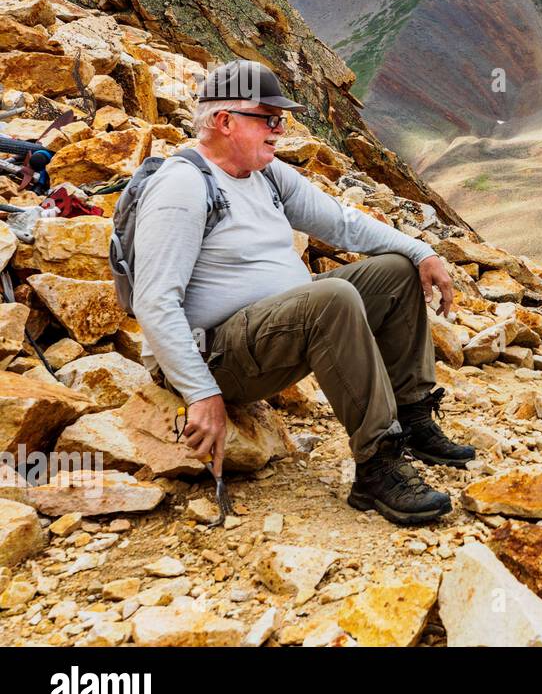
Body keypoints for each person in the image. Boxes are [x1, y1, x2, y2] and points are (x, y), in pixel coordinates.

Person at [132, 60, 474, 525]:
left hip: (276, 331)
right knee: (331, 299)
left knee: (394, 271)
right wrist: (200, 394)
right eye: (267, 118)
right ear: (224, 121)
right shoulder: (183, 186)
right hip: (217, 357)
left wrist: (422, 252)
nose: (278, 129)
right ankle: (377, 466)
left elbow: (342, 223)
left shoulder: (265, 174)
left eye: (282, 119)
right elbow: (154, 301)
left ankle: (411, 418)